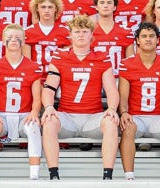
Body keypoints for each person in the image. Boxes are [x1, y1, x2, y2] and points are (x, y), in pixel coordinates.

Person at [41, 15, 119, 180]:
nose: (81, 35)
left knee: (111, 122)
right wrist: (48, 106)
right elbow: (49, 88)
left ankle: (107, 176)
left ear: (92, 35)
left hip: (93, 117)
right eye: (77, 31)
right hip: (67, 116)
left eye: (85, 31)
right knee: (48, 121)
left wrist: (112, 108)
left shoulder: (101, 58)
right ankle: (53, 175)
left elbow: (111, 90)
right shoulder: (60, 57)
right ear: (70, 35)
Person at [118, 21, 160, 181]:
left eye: (152, 36)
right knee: (128, 127)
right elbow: (123, 96)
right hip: (135, 116)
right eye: (144, 36)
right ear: (137, 40)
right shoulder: (127, 64)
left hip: (157, 117)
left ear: (158, 40)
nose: (148, 39)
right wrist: (124, 112)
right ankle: (129, 176)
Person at [0, 24, 43, 180]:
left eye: (18, 37)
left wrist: (34, 112)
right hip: (1, 114)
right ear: (3, 41)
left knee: (34, 128)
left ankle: (34, 174)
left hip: (24, 115)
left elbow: (37, 98)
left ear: (24, 41)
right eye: (10, 37)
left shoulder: (33, 67)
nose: (14, 40)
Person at [23, 0, 70, 71]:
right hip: (36, 76)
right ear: (37, 9)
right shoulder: (28, 32)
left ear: (56, 8)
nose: (47, 10)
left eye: (50, 7)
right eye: (43, 7)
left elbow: (66, 63)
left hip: (56, 78)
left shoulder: (65, 31)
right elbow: (27, 63)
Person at [91, 0, 134, 75]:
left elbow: (130, 62)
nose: (105, 6)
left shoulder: (125, 32)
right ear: (96, 6)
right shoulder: (89, 31)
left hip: (119, 77)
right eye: (102, 2)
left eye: (109, 2)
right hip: (96, 78)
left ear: (114, 7)